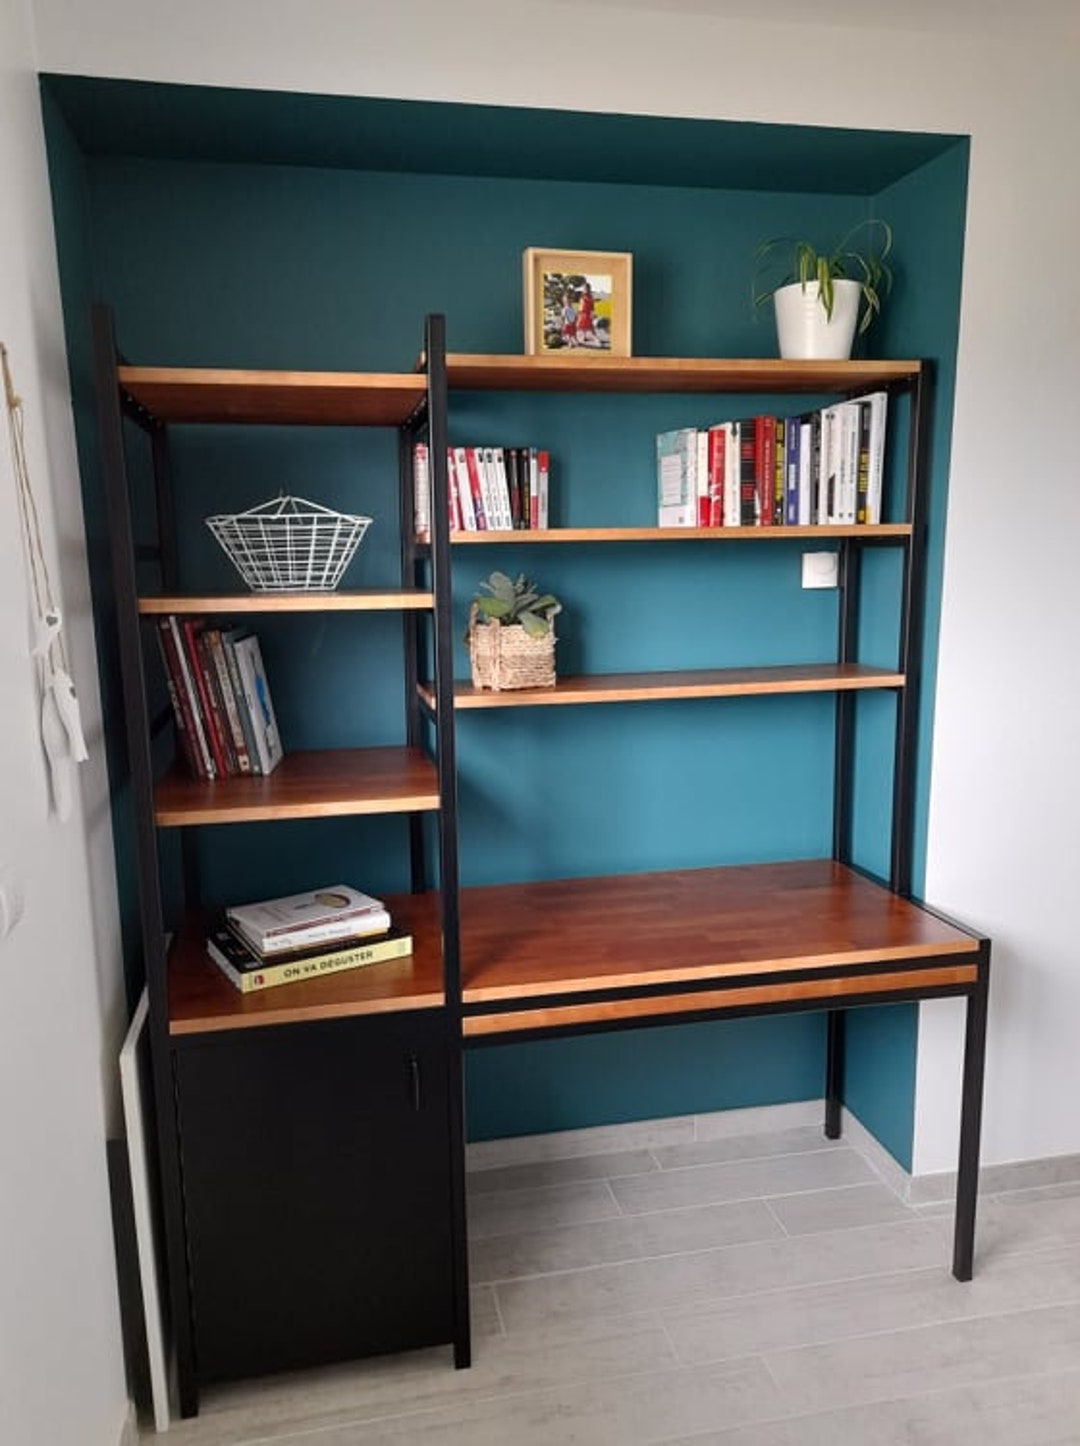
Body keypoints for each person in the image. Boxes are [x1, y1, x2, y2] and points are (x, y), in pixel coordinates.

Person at [575, 281, 597, 346]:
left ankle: (595, 339)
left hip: (587, 314)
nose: (584, 290)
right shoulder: (582, 296)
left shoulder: (590, 297)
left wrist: (592, 315)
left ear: (589, 289)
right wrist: (578, 312)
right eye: (583, 289)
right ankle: (581, 339)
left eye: (585, 288)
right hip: (582, 314)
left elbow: (592, 307)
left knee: (588, 327)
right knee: (580, 326)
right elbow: (580, 306)